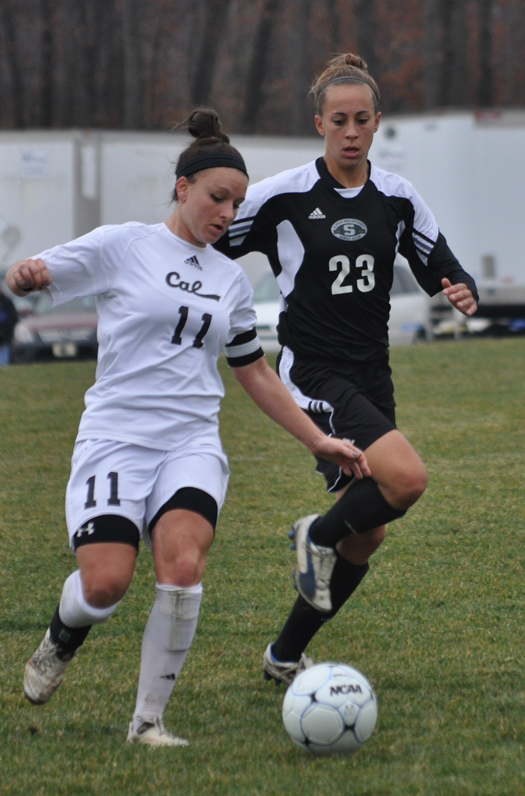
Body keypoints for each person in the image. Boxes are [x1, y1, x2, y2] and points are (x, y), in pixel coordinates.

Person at [7, 109, 368, 747]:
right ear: (183, 188)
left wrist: (317, 438)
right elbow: (37, 273)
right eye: (216, 198)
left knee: (182, 565)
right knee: (105, 585)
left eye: (235, 204)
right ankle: (61, 638)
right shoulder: (124, 245)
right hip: (115, 437)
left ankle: (148, 722)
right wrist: (28, 273)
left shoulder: (229, 280)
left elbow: (253, 372)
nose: (227, 214)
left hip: (191, 442)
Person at [213, 54, 479, 685]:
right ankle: (314, 537)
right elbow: (210, 234)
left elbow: (436, 258)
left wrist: (461, 286)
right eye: (340, 120)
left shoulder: (396, 196)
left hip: (373, 374)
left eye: (362, 119)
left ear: (378, 121)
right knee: (406, 480)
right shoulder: (281, 197)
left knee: (370, 535)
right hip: (313, 372)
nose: (352, 131)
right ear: (320, 124)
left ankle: (282, 655)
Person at [0, 283, 18, 365]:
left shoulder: (6, 302)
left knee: (3, 364)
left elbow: (13, 319)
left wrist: (5, 333)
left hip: (3, 340)